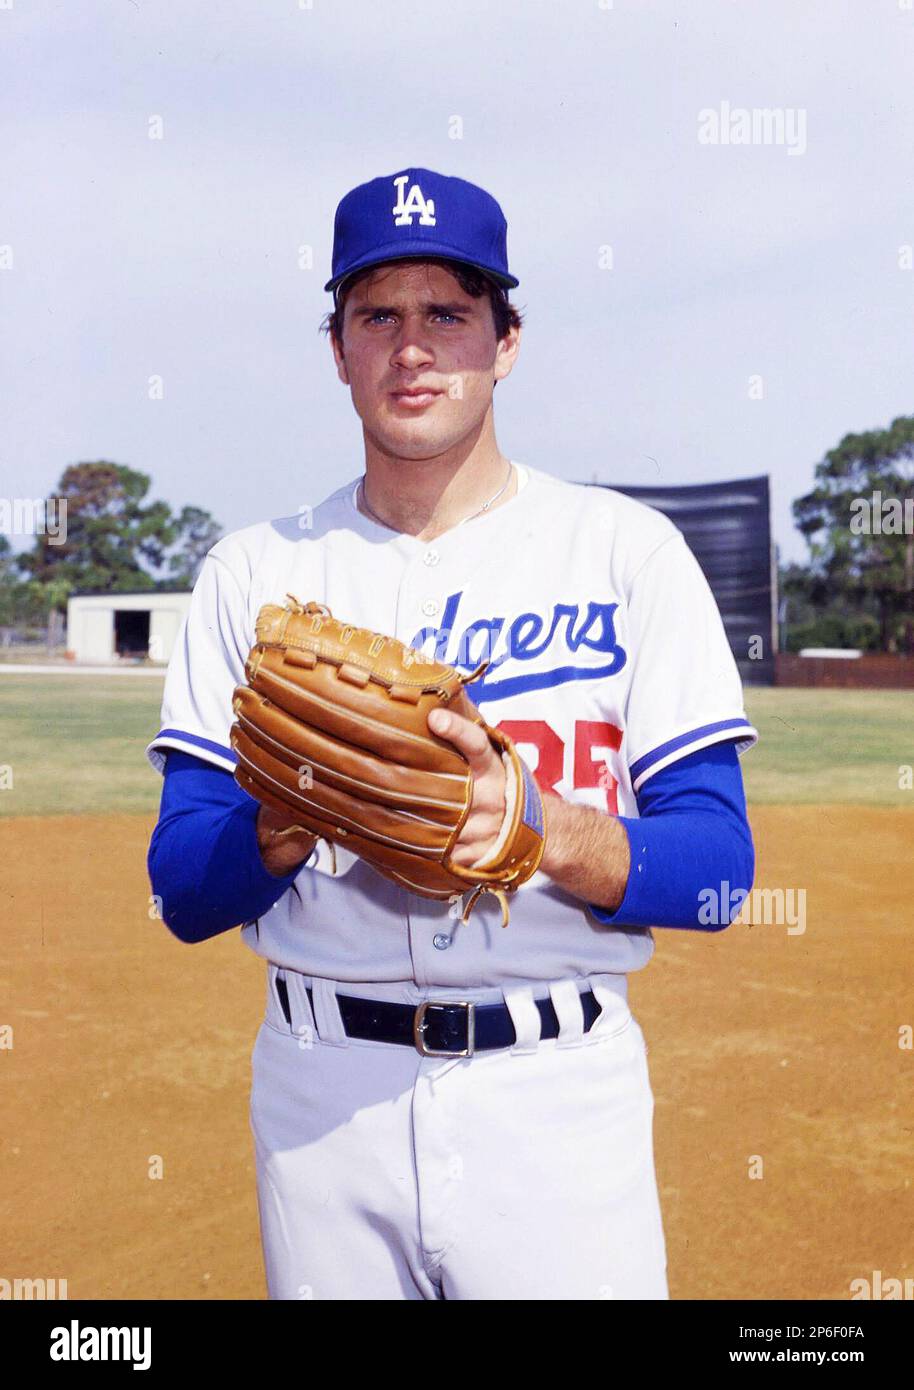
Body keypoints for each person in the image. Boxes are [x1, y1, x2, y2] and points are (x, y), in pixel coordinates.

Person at [146, 166, 757, 1301]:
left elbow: (720, 870)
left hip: (557, 1102)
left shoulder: (623, 551)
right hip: (322, 1103)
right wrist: (283, 819)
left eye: (449, 313)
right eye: (376, 315)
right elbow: (181, 887)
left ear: (506, 341)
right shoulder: (253, 571)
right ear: (337, 350)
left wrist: (539, 825)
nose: (412, 349)